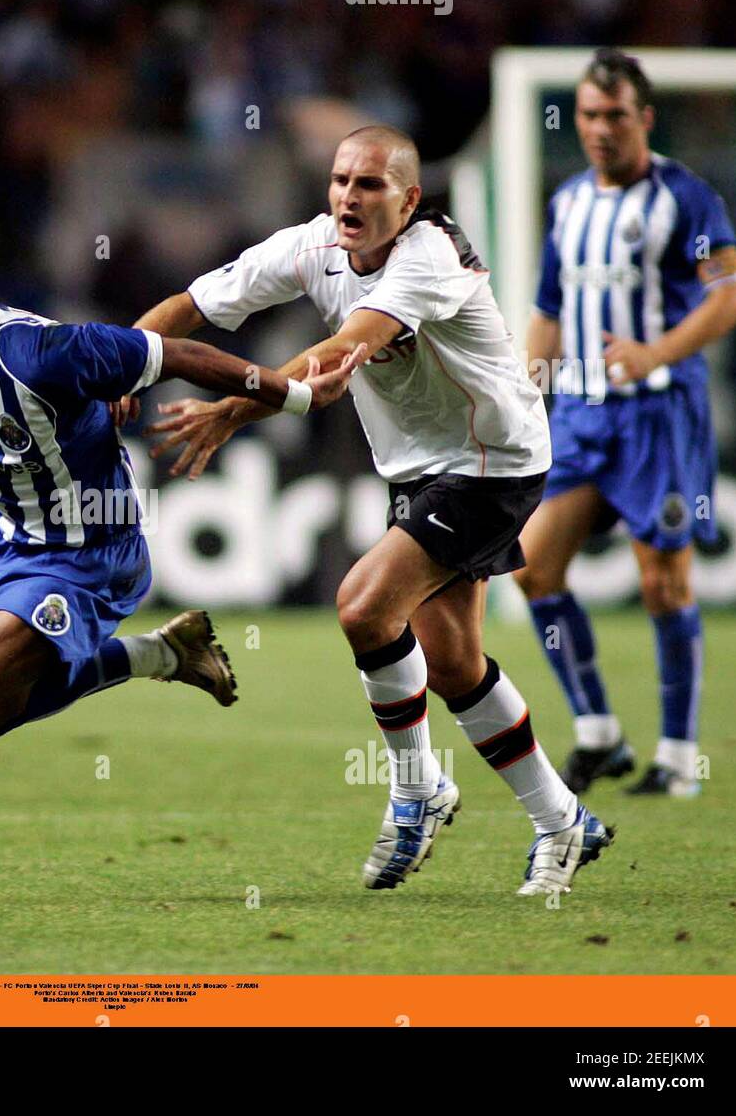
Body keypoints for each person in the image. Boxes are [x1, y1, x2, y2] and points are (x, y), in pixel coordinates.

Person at [0, 206, 355, 907]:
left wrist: (298, 396)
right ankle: (163, 654)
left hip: (86, 555)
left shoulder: (47, 351)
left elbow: (178, 355)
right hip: (2, 546)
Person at [139, 126, 612, 896]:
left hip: (491, 462)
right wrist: (115, 362)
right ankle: (564, 824)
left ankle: (417, 790)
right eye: (339, 181)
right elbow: (191, 306)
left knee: (362, 606)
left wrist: (229, 409)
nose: (348, 198)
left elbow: (337, 357)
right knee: (453, 662)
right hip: (417, 469)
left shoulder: (430, 256)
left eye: (369, 186)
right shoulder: (311, 245)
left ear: (410, 199)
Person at [513, 49, 736, 798]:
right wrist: (526, 393)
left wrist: (658, 350)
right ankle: (598, 732)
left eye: (615, 115)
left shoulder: (686, 197)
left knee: (663, 584)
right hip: (582, 414)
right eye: (588, 115)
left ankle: (678, 756)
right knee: (531, 565)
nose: (600, 129)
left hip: (658, 415)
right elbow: (549, 311)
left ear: (644, 118)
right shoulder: (568, 202)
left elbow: (733, 296)